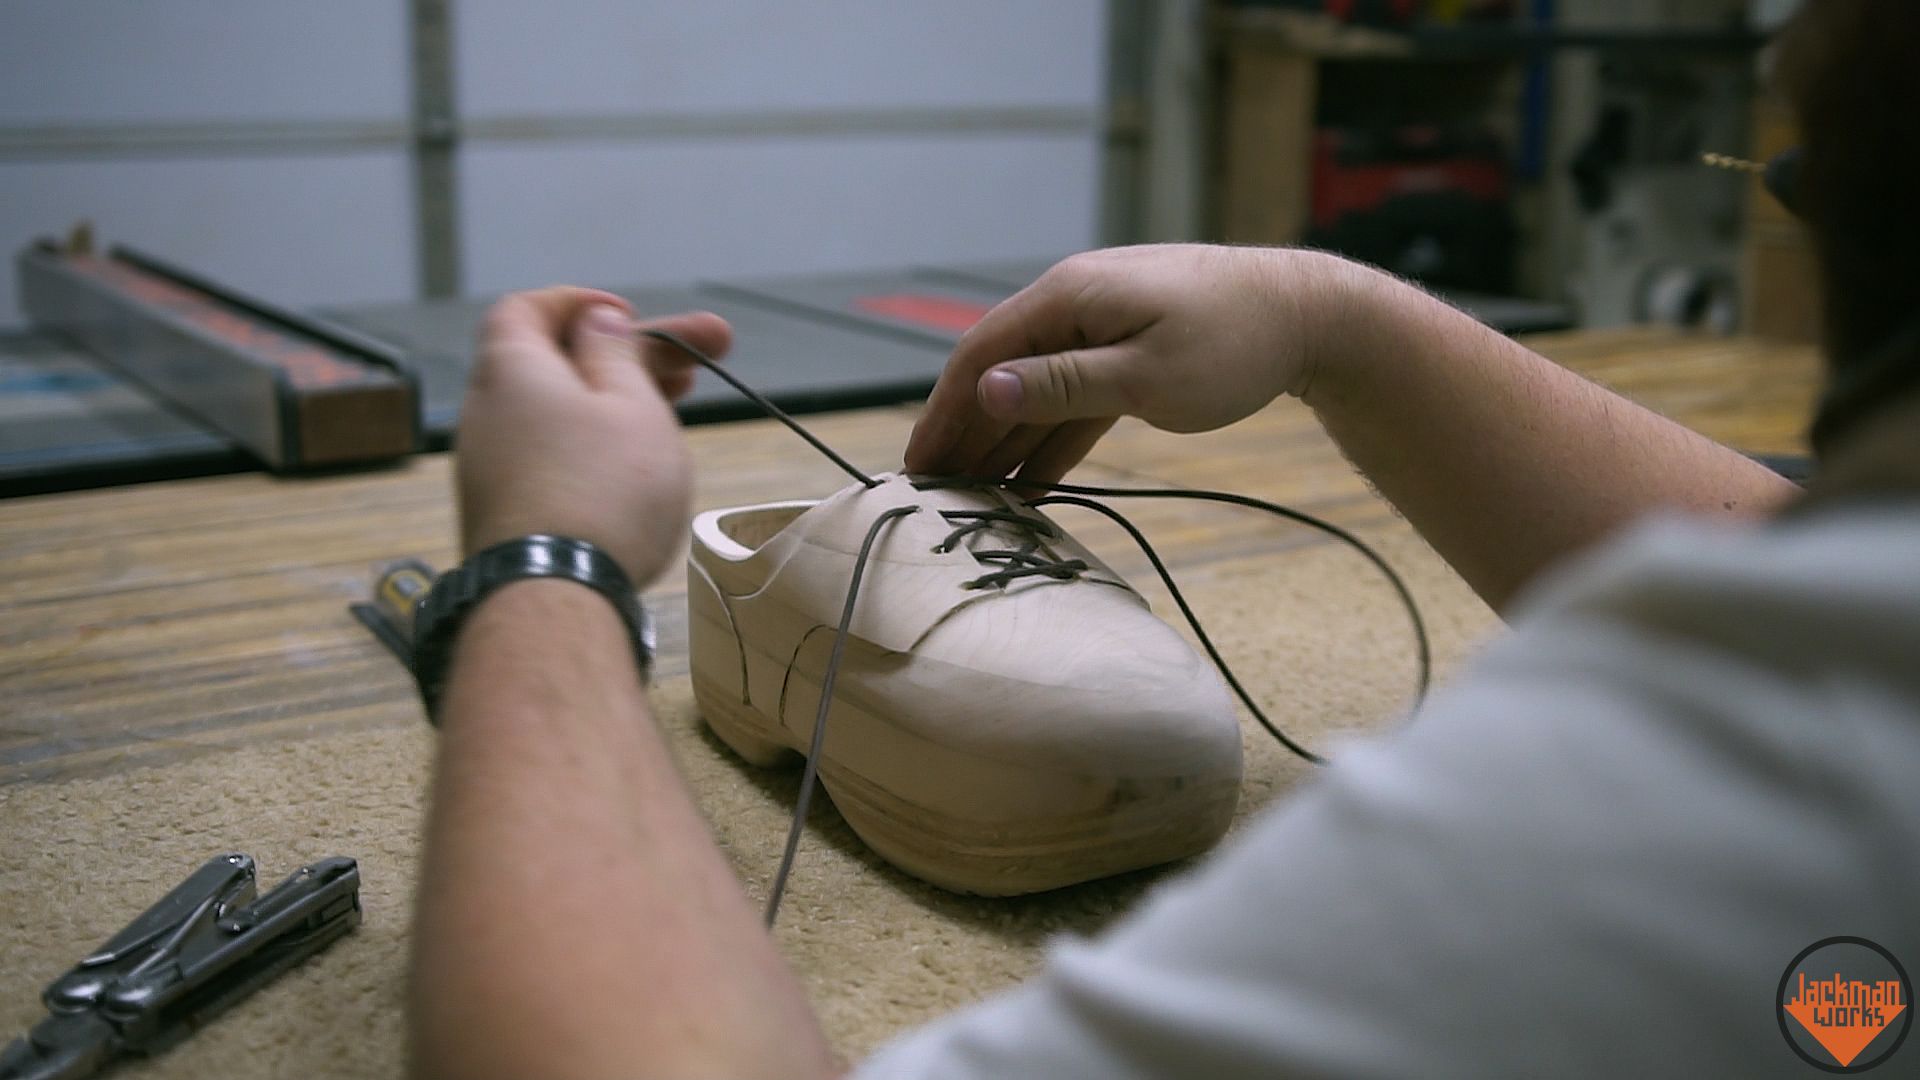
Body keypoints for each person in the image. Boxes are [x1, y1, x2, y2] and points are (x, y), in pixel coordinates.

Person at [405, 2, 1920, 1076]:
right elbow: (1812, 573)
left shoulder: (1737, 812)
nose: (1784, 39)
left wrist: (541, 559)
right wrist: (1332, 315)